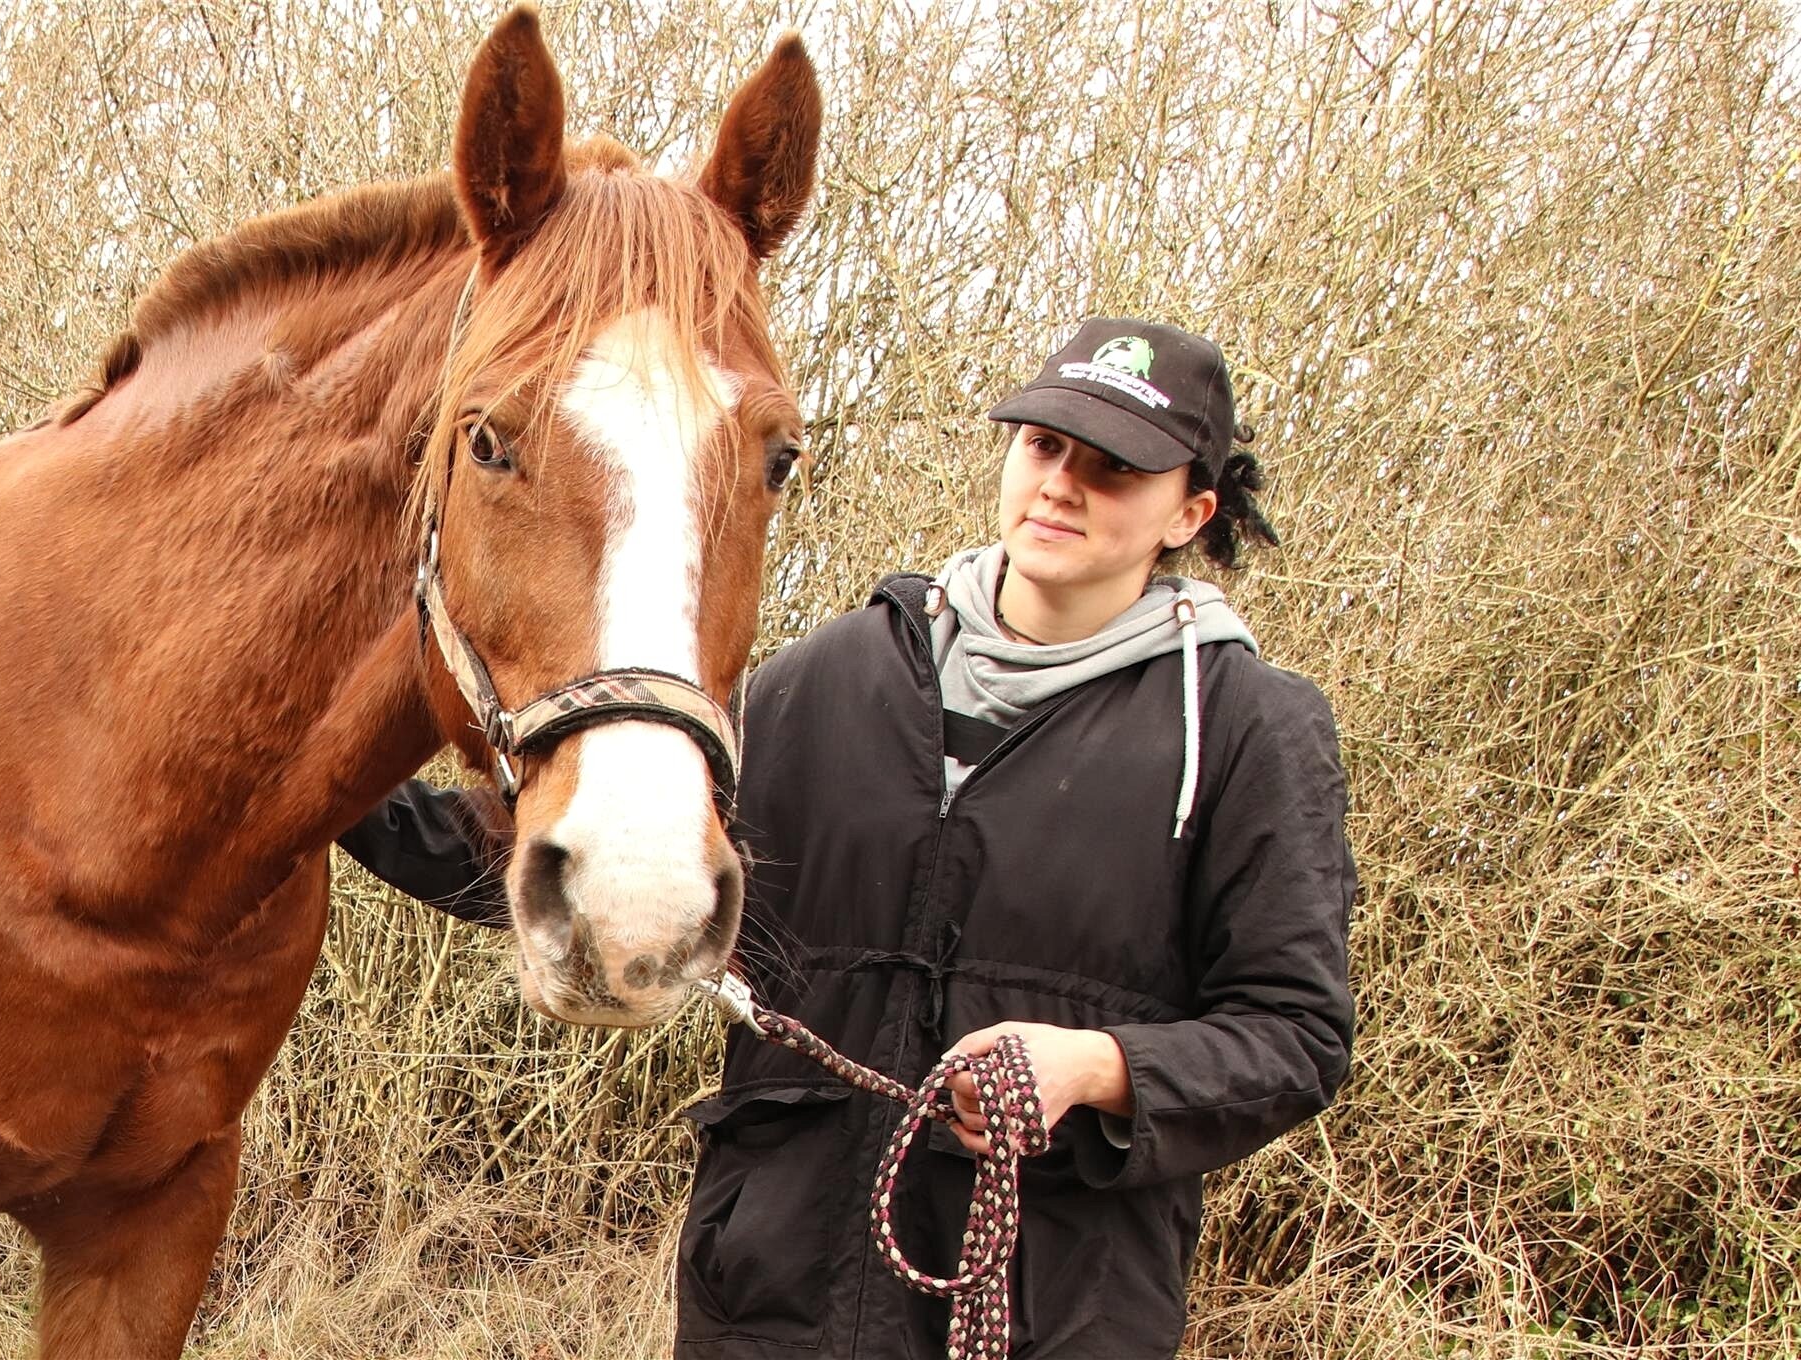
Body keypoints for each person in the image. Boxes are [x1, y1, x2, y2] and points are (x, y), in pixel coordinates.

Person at [338, 317, 1355, 1360]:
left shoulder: (1240, 728)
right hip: (775, 1301)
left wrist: (1096, 1067)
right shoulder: (837, 677)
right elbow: (597, 854)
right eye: (1046, 445)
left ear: (1189, 510)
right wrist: (321, 784)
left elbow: (1296, 1034)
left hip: (1049, 1314)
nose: (1061, 484)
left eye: (1114, 468)